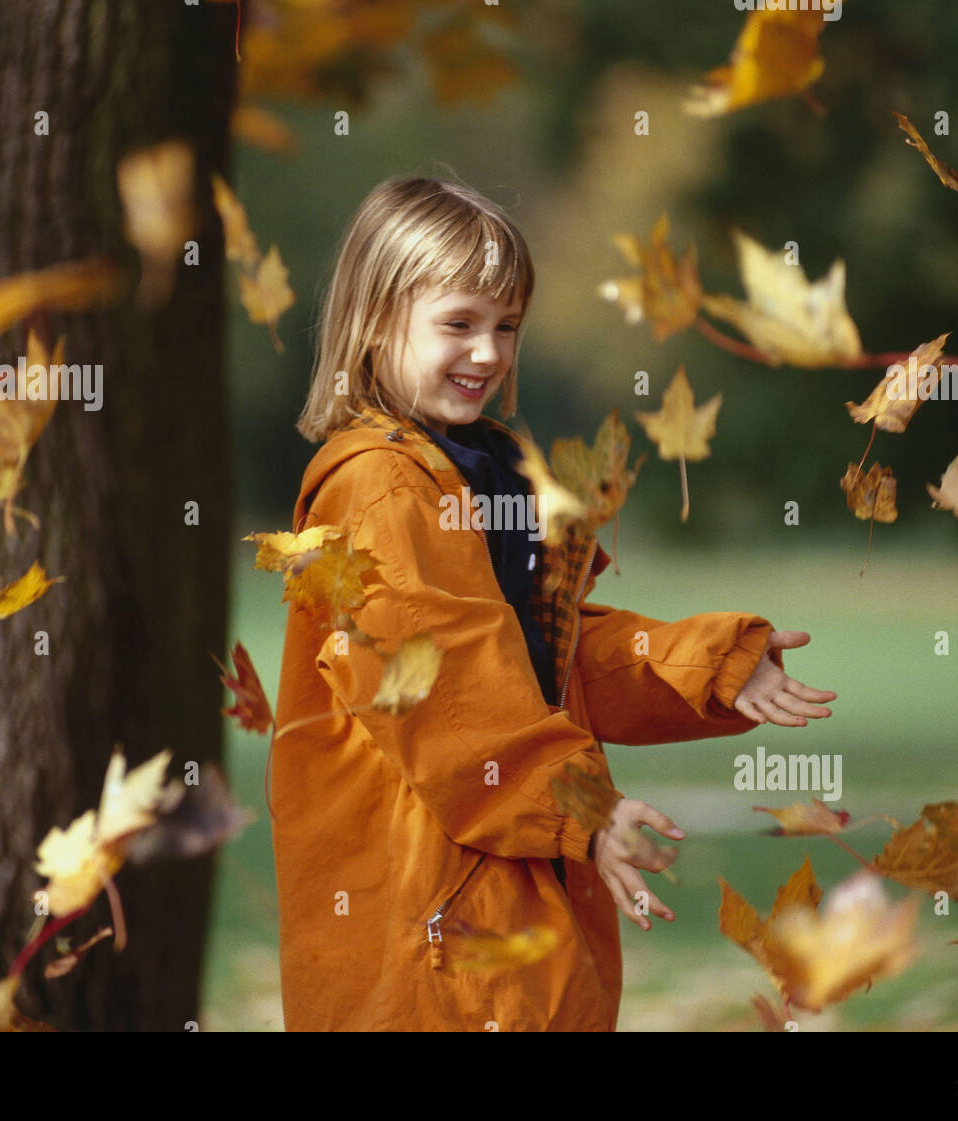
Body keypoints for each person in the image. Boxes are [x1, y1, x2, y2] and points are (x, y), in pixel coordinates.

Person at [270, 174, 837, 1031]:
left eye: (506, 327)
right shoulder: (380, 490)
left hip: (511, 899)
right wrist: (584, 809)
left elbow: (549, 661)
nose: (490, 352)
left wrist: (710, 663)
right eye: (458, 323)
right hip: (431, 929)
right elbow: (445, 691)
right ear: (375, 322)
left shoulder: (490, 472)